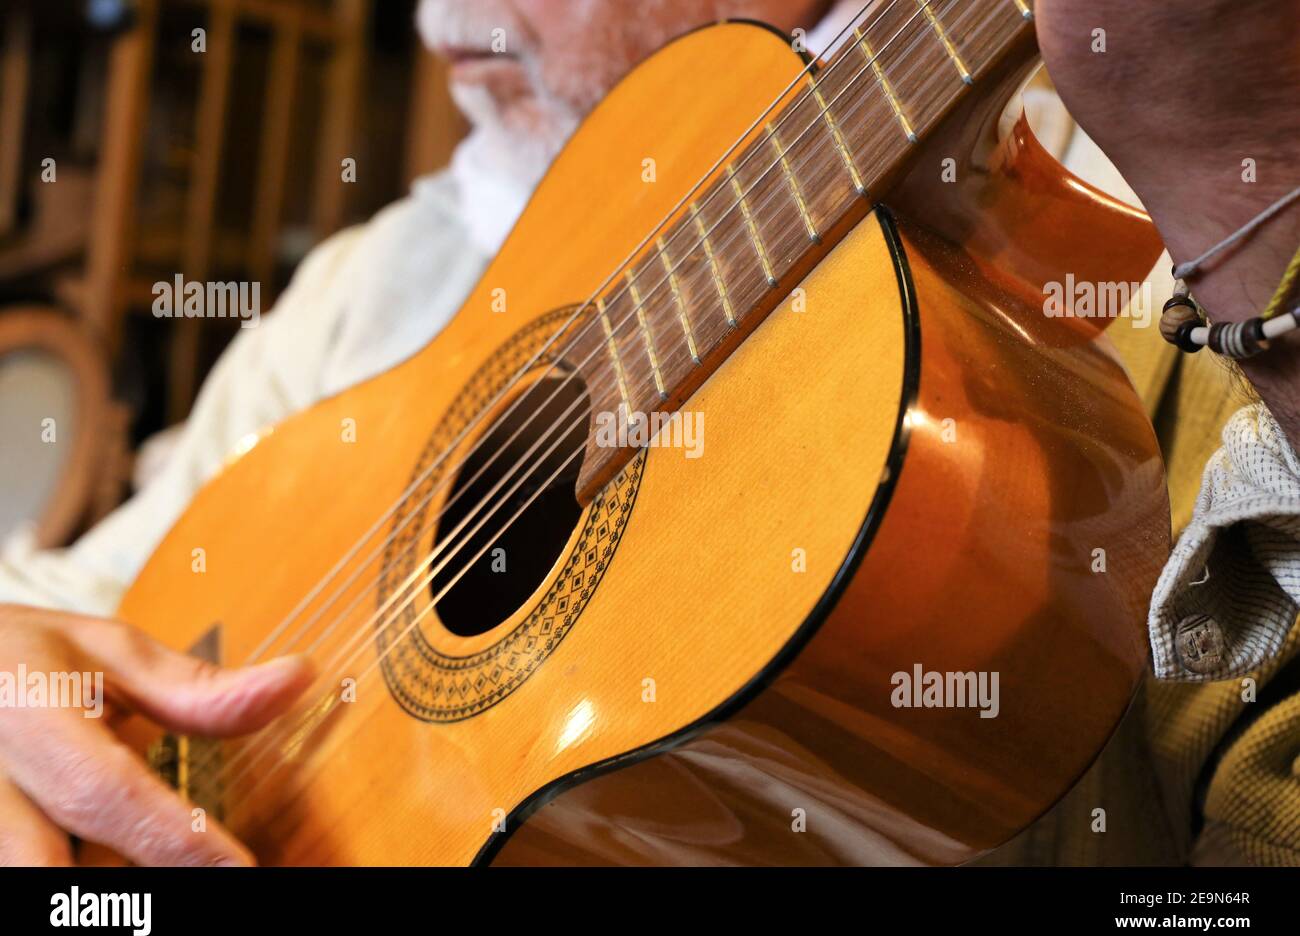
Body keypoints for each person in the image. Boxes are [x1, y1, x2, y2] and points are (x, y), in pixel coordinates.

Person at [0, 0, 1296, 866]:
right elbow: (82, 616)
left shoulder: (1191, 243)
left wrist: (1246, 182)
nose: (434, 12)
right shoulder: (390, 270)